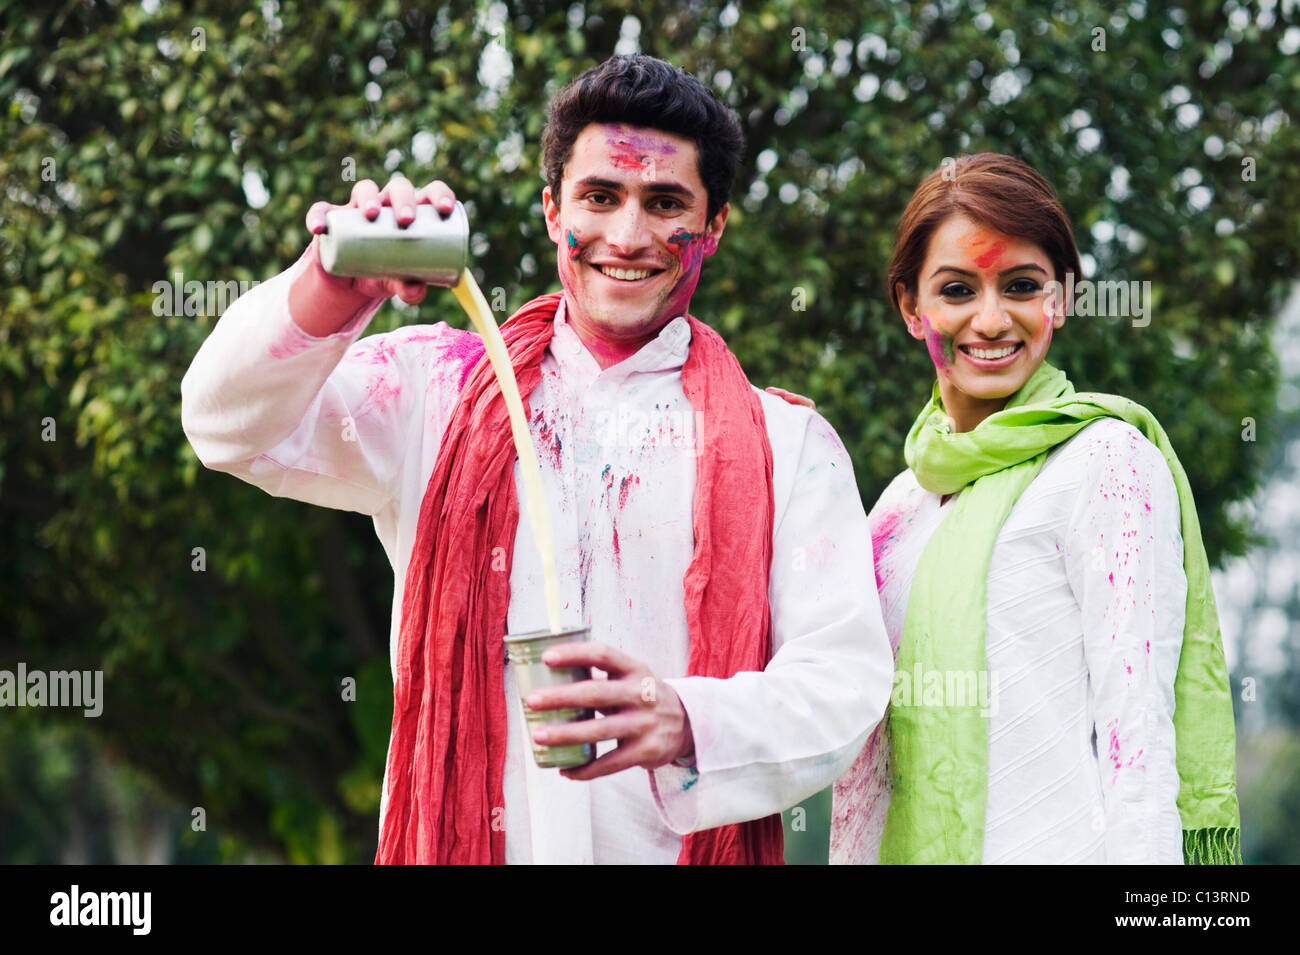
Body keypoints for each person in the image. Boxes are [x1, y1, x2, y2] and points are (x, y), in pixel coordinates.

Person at [181, 54, 893, 864]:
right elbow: (222, 424)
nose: (627, 237)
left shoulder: (785, 445)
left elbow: (845, 683)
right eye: (600, 197)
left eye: (665, 204)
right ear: (554, 209)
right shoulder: (439, 392)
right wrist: (332, 285)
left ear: (715, 224)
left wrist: (686, 719)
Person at [830, 153, 1240, 865]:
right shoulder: (897, 508)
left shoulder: (1104, 463)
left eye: (1021, 286)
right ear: (910, 306)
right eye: (957, 289)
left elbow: (1137, 733)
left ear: (1062, 298)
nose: (991, 320)